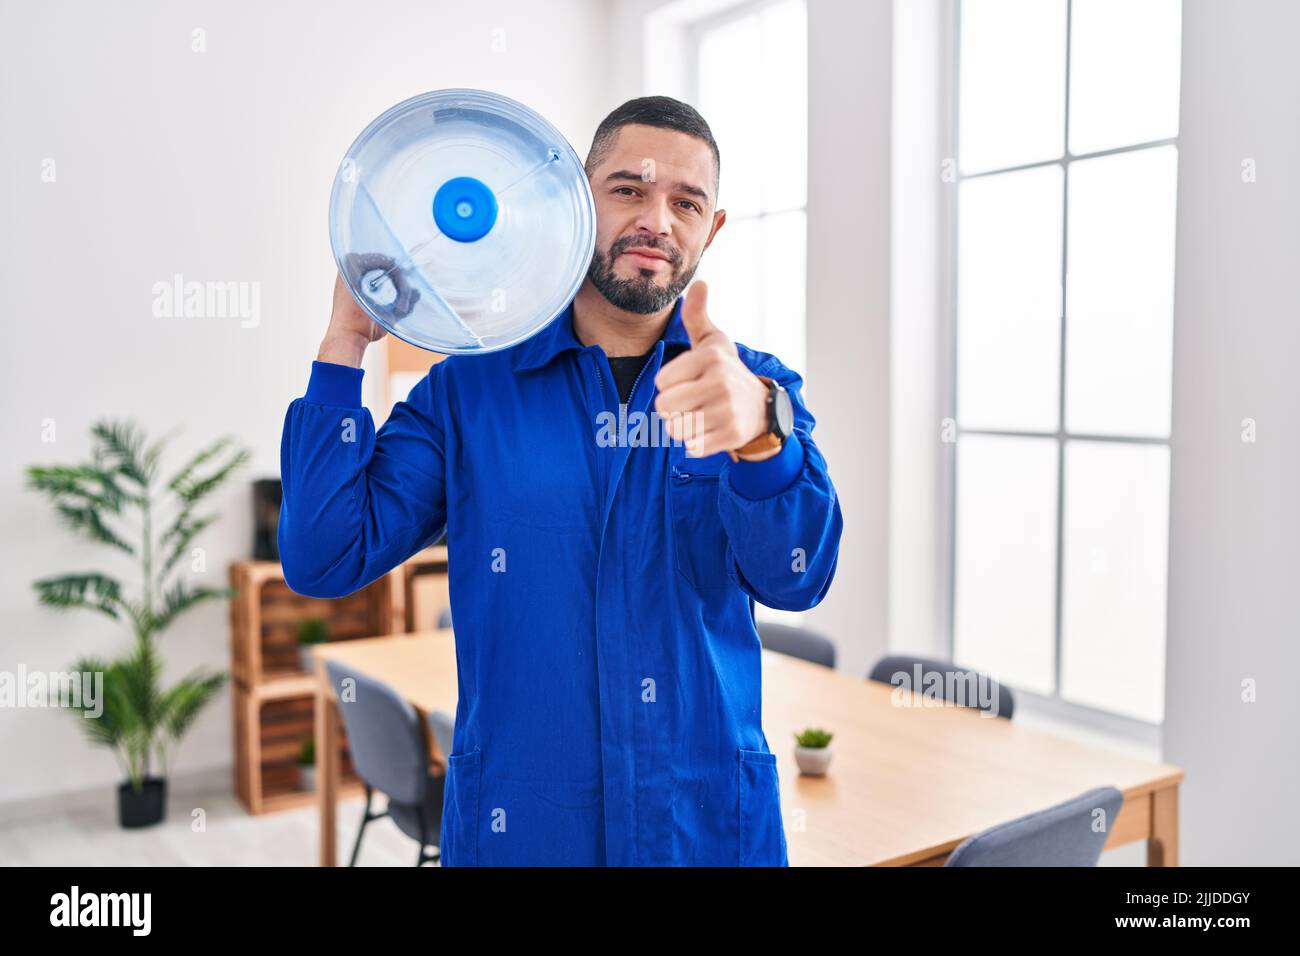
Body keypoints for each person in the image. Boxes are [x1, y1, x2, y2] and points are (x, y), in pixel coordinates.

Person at [279, 95, 843, 866]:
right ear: (573, 201)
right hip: (528, 828)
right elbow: (324, 555)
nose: (658, 220)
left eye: (686, 202)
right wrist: (345, 341)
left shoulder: (749, 390)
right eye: (629, 190)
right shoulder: (470, 393)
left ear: (710, 230)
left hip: (702, 827)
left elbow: (796, 581)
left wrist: (760, 438)